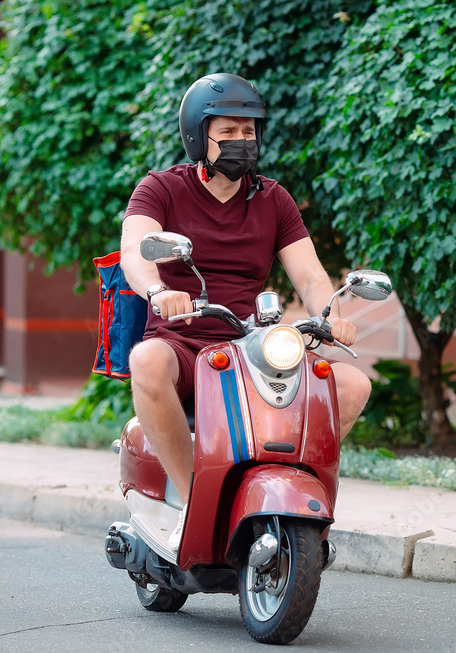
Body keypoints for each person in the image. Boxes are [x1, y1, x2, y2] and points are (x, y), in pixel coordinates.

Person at [120, 73, 371, 550]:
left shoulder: (273, 198)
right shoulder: (161, 189)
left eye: (249, 131)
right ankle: (195, 504)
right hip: (184, 342)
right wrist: (157, 291)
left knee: (352, 384)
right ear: (198, 135)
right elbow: (135, 250)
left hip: (249, 348)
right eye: (229, 132)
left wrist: (330, 314)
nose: (242, 141)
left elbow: (310, 276)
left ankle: (296, 499)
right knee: (146, 361)